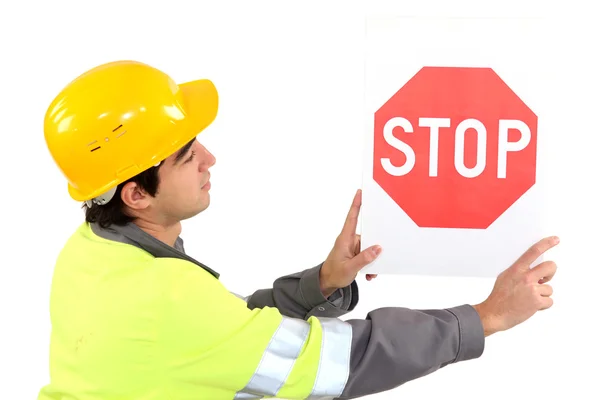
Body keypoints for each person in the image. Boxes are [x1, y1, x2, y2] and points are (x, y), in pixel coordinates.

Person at [38, 60, 559, 400]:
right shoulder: (167, 298)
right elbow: (342, 362)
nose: (210, 159)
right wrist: (486, 317)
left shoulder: (88, 254)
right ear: (136, 194)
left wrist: (323, 282)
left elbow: (229, 332)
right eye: (188, 154)